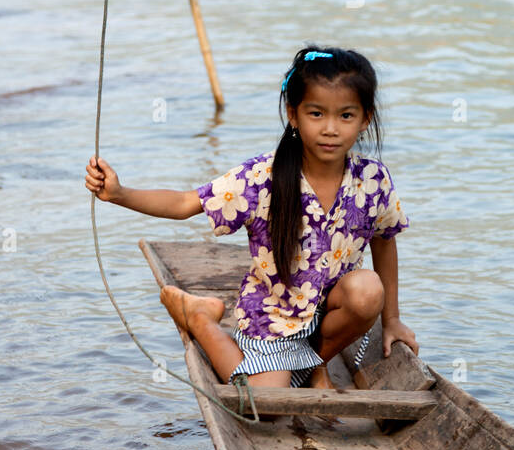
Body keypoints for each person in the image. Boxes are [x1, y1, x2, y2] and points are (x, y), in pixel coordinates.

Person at [84, 44, 417, 390]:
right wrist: (119, 194)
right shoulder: (263, 177)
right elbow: (186, 202)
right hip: (274, 315)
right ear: (293, 114)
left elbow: (384, 240)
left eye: (345, 116)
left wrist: (391, 319)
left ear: (364, 119)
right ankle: (200, 317)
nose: (330, 129)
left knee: (367, 290)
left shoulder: (372, 179)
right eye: (316, 114)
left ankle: (317, 364)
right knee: (265, 400)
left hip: (328, 315)